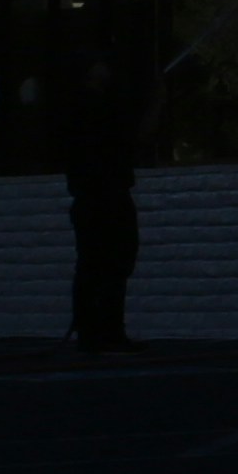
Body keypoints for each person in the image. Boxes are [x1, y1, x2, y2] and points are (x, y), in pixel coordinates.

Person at [62, 37, 143, 353]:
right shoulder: (89, 108)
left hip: (101, 192)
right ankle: (99, 330)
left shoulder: (91, 106)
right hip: (100, 194)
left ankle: (100, 330)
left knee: (108, 261)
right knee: (103, 261)